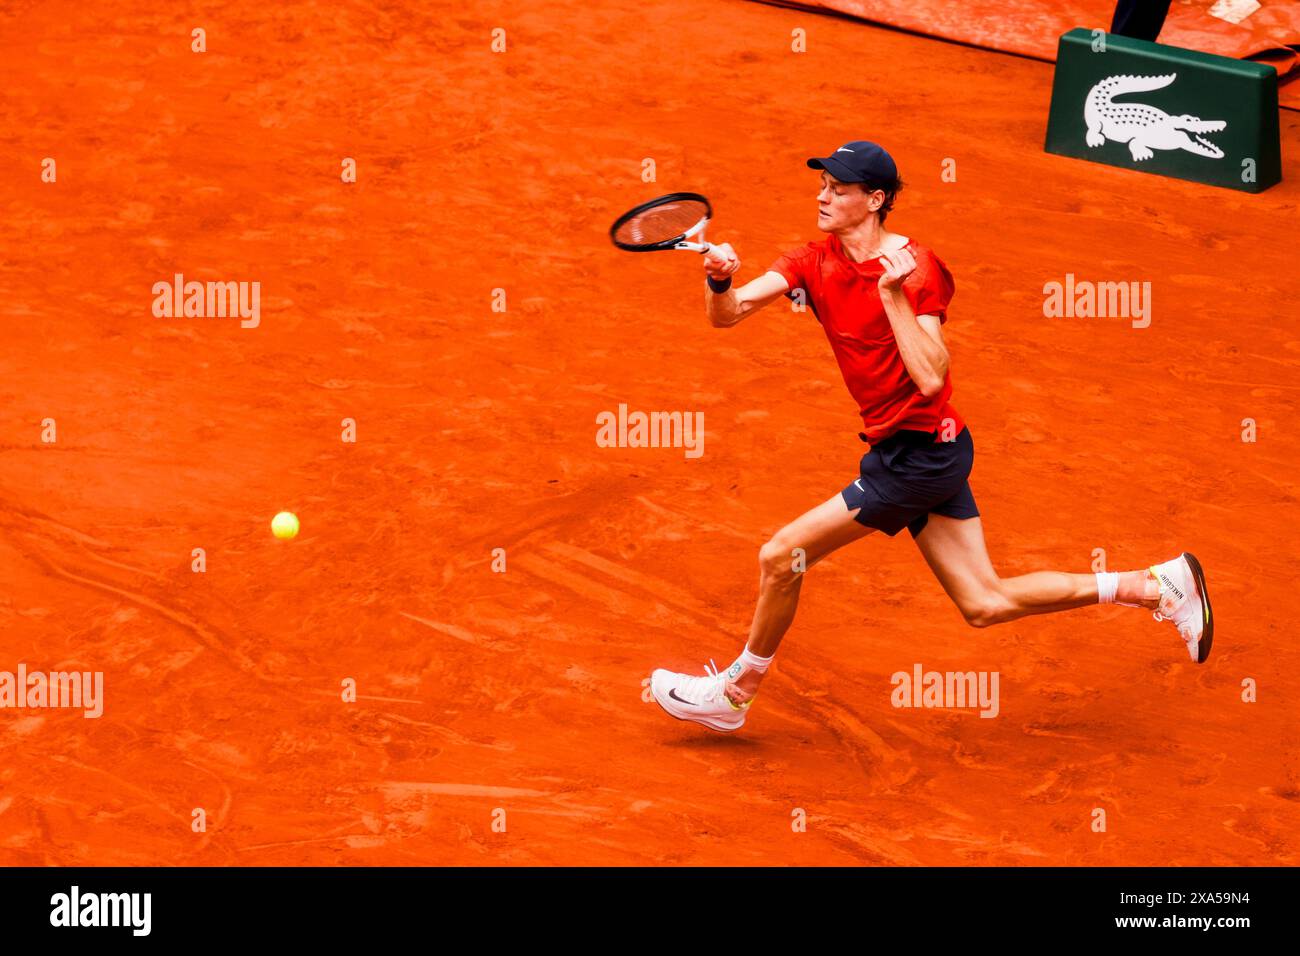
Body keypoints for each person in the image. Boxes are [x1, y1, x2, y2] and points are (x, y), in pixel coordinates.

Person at [649, 140, 1213, 733]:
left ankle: (736, 691)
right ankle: (1152, 586)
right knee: (984, 603)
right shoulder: (810, 261)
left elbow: (930, 374)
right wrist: (719, 281)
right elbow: (730, 314)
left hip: (918, 458)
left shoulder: (915, 269)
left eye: (838, 190)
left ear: (875, 199)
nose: (823, 197)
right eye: (822, 186)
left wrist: (888, 294)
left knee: (781, 558)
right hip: (920, 451)